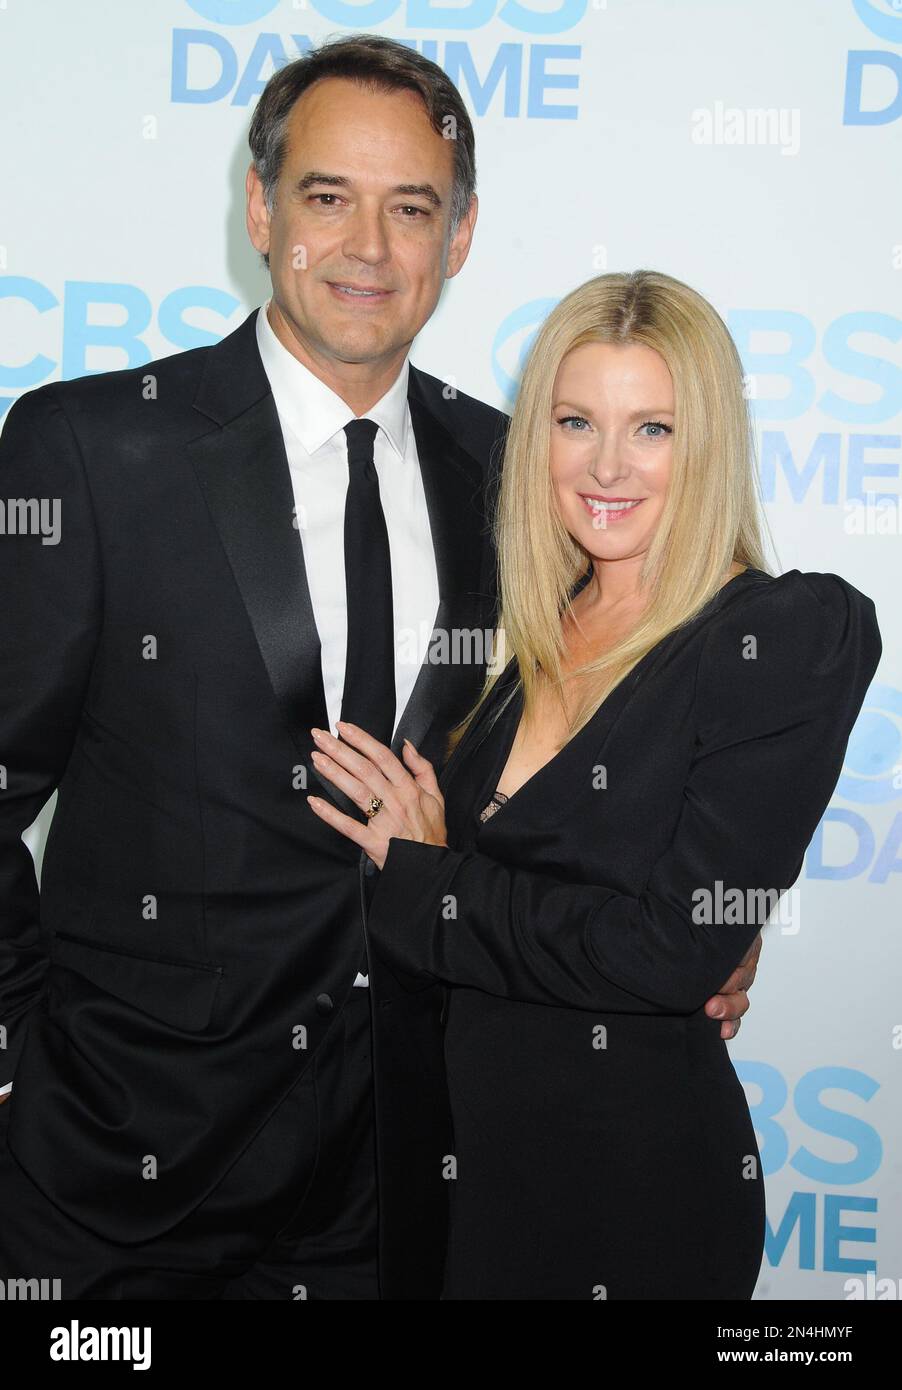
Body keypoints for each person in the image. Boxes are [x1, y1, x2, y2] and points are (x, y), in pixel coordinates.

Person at [0, 38, 756, 1300]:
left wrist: (695, 926)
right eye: (326, 196)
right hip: (115, 1177)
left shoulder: (518, 476)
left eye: (411, 207)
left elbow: (575, 772)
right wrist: (26, 1050)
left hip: (410, 1175)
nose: (368, 247)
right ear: (258, 209)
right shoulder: (91, 447)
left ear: (458, 237)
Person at [306, 269, 882, 1299]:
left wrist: (429, 878)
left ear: (704, 443)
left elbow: (667, 954)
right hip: (456, 1176)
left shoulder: (774, 637)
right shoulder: (516, 622)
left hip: (630, 1194)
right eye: (576, 421)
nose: (607, 463)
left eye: (651, 428)